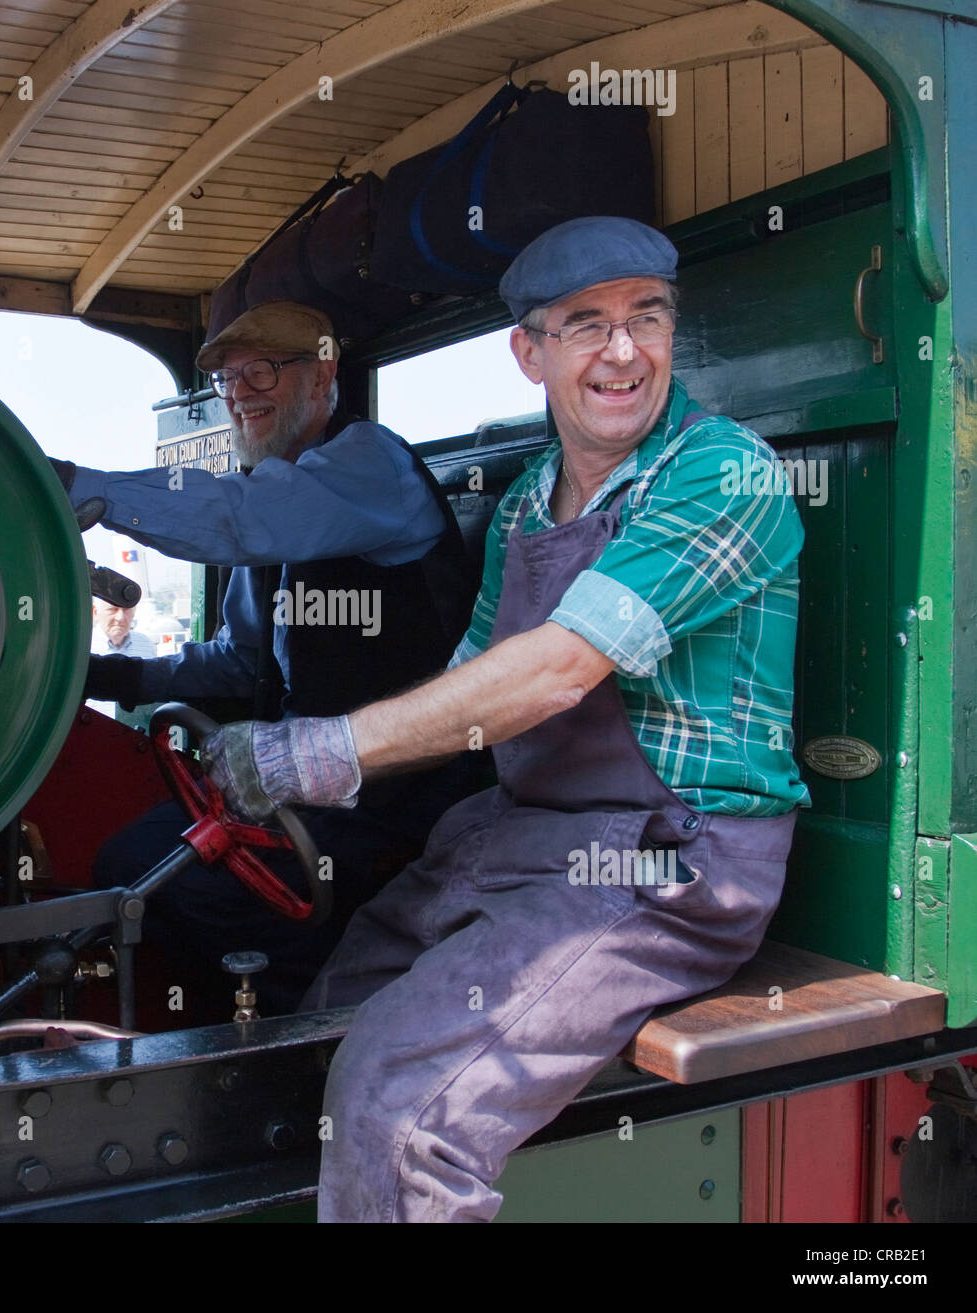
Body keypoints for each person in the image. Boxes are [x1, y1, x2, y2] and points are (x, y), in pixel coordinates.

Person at [201, 217, 811, 1221]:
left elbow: (559, 667)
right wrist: (334, 773)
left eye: (644, 317)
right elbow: (476, 677)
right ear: (528, 352)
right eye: (584, 325)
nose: (621, 351)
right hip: (522, 833)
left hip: (668, 860)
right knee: (326, 1010)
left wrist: (323, 748)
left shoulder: (721, 473)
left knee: (400, 1104)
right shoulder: (530, 499)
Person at [48, 301, 478, 1014]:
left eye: (262, 371)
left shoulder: (370, 463)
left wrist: (71, 485)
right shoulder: (278, 506)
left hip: (397, 789)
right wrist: (105, 674)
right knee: (125, 858)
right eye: (225, 379)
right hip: (302, 780)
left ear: (324, 373)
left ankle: (300, 1030)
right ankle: (220, 1021)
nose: (239, 392)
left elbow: (236, 516)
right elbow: (240, 664)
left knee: (161, 879)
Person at [88, 599, 158, 729]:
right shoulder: (84, 645)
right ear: (95, 612)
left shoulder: (146, 644)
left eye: (127, 610)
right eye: (112, 610)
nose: (120, 617)